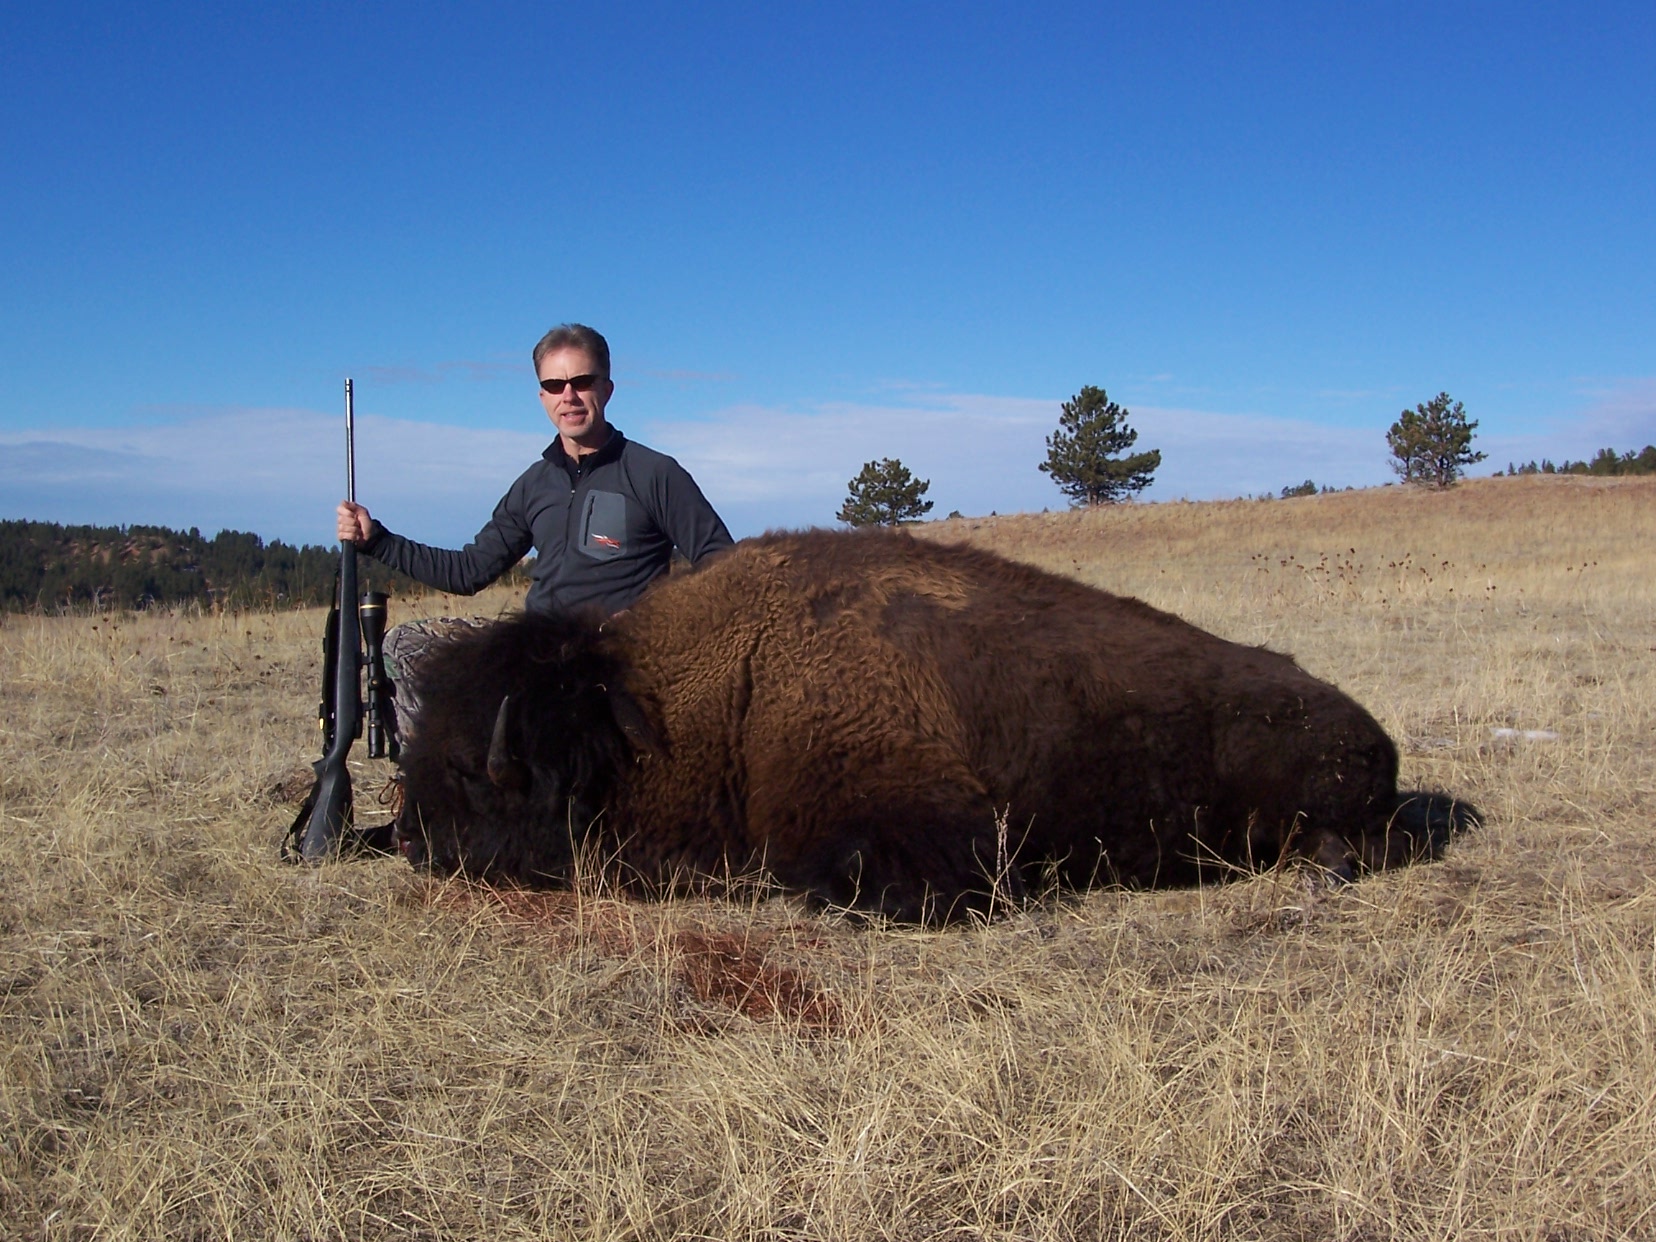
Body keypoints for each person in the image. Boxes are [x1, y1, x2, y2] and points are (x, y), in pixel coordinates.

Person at [335, 322, 734, 742]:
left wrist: (646, 618)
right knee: (403, 645)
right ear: (542, 396)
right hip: (536, 653)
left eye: (582, 381)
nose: (570, 396)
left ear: (607, 388)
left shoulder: (654, 474)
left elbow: (723, 565)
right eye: (555, 384)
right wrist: (377, 539)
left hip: (615, 657)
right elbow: (468, 571)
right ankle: (434, 790)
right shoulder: (534, 484)